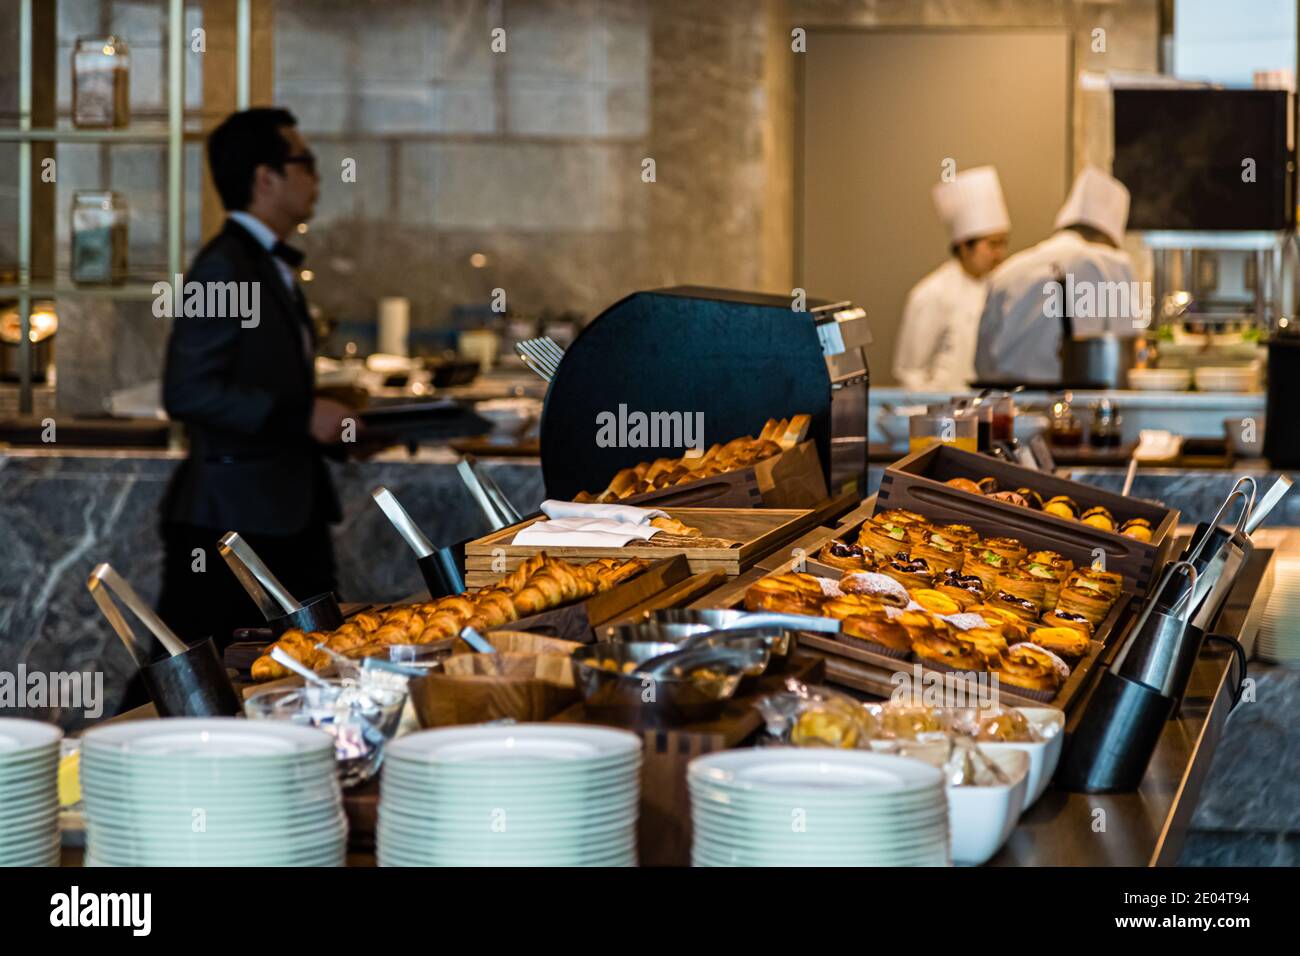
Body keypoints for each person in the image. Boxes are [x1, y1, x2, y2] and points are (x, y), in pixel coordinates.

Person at [156, 107, 354, 648]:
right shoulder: (226, 264)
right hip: (235, 522)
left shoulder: (262, 262)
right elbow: (186, 390)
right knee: (198, 671)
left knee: (293, 661)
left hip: (279, 513)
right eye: (305, 163)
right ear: (266, 177)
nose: (316, 178)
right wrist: (301, 415)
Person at [974, 166, 1138, 384]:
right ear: (1110, 238)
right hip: (1079, 403)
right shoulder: (1110, 262)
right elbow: (1127, 353)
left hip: (1012, 406)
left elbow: (982, 364)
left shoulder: (1006, 272)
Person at [893, 166, 1010, 392]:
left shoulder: (1001, 289)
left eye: (1004, 243)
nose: (1000, 254)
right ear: (965, 246)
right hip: (944, 414)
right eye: (992, 244)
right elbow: (911, 374)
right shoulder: (931, 294)